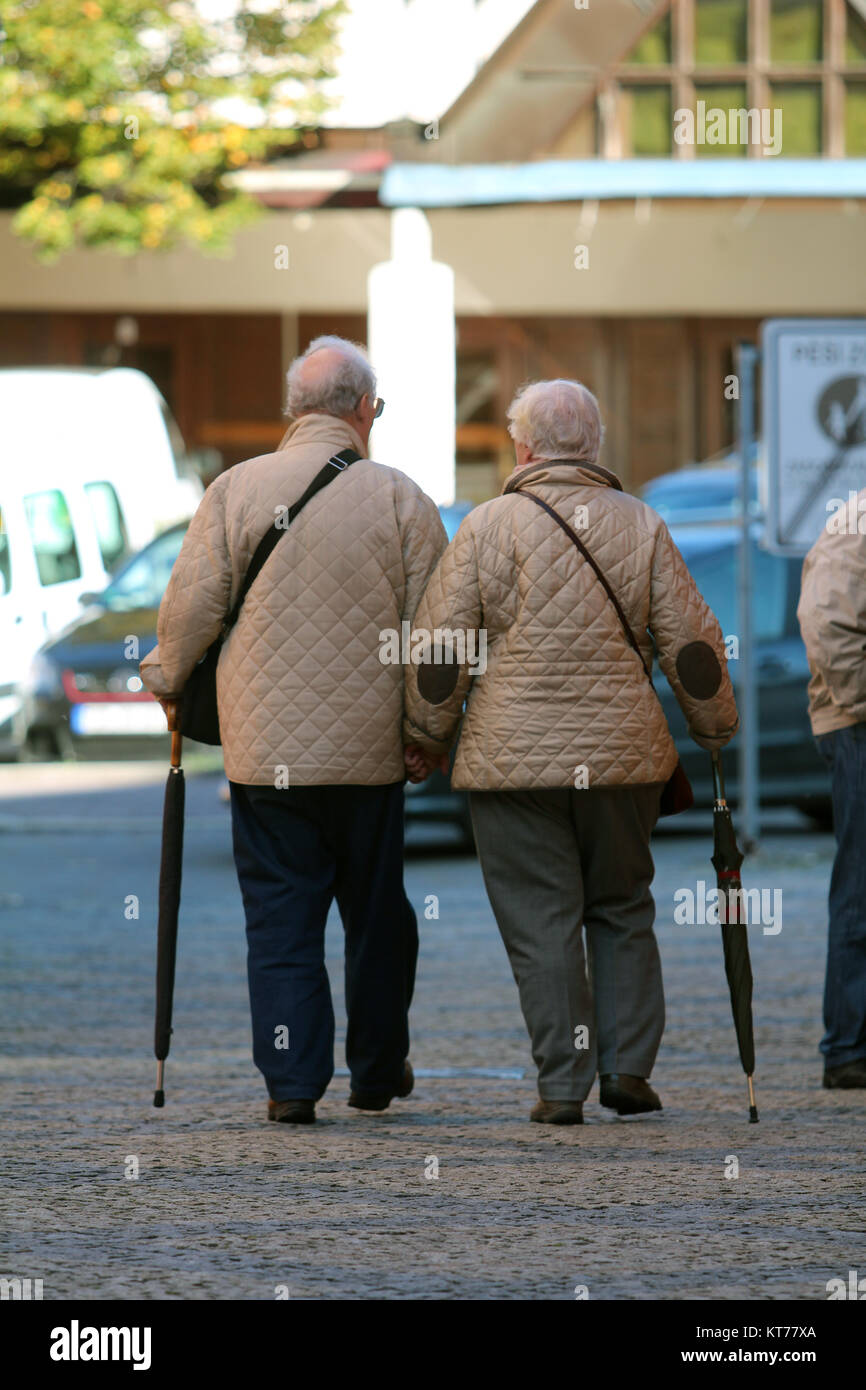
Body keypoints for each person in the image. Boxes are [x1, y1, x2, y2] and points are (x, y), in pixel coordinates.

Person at [404, 379, 738, 1125]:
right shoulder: (642, 524)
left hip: (511, 761)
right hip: (623, 757)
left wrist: (425, 736)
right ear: (596, 445)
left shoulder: (488, 527)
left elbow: (440, 647)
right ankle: (626, 1070)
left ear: (522, 448)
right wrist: (714, 727)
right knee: (621, 905)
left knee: (539, 919)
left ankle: (561, 1086)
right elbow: (690, 642)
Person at [141, 336, 447, 1123]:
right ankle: (377, 1073)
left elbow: (189, 609)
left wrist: (167, 681)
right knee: (378, 920)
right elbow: (436, 637)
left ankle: (291, 1082)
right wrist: (427, 730)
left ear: (291, 411)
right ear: (362, 410)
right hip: (369, 756)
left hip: (263, 754)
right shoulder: (400, 498)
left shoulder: (236, 490)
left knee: (281, 920)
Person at [797, 492, 866, 1090]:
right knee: (860, 885)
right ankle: (847, 1046)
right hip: (857, 728)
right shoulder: (858, 520)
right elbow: (828, 623)